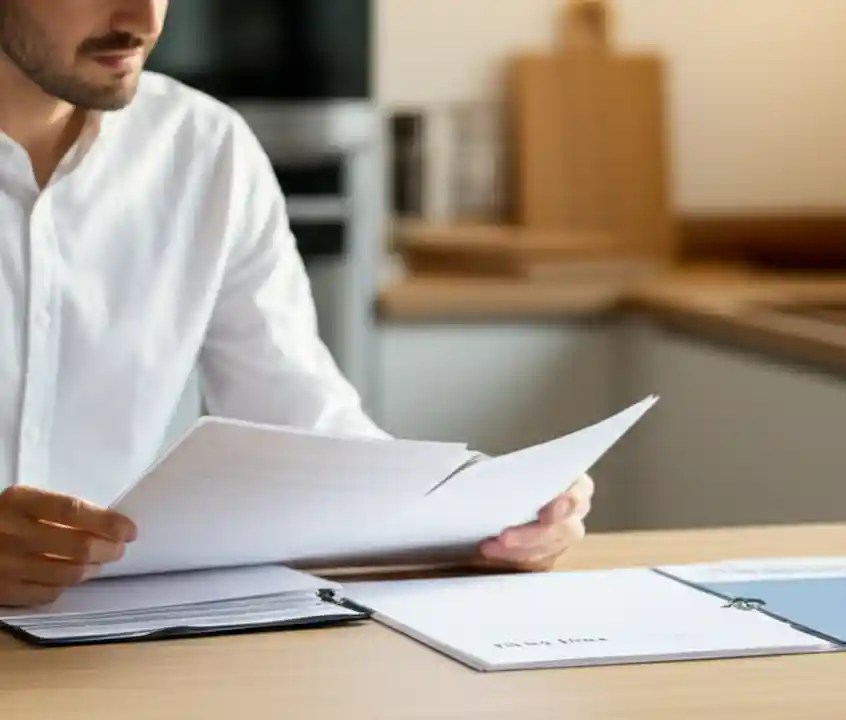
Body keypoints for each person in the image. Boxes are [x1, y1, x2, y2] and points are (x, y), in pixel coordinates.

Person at [0, 0, 592, 608]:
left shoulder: (204, 149)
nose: (143, 20)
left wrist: (480, 520)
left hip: (113, 648)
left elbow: (303, 433)